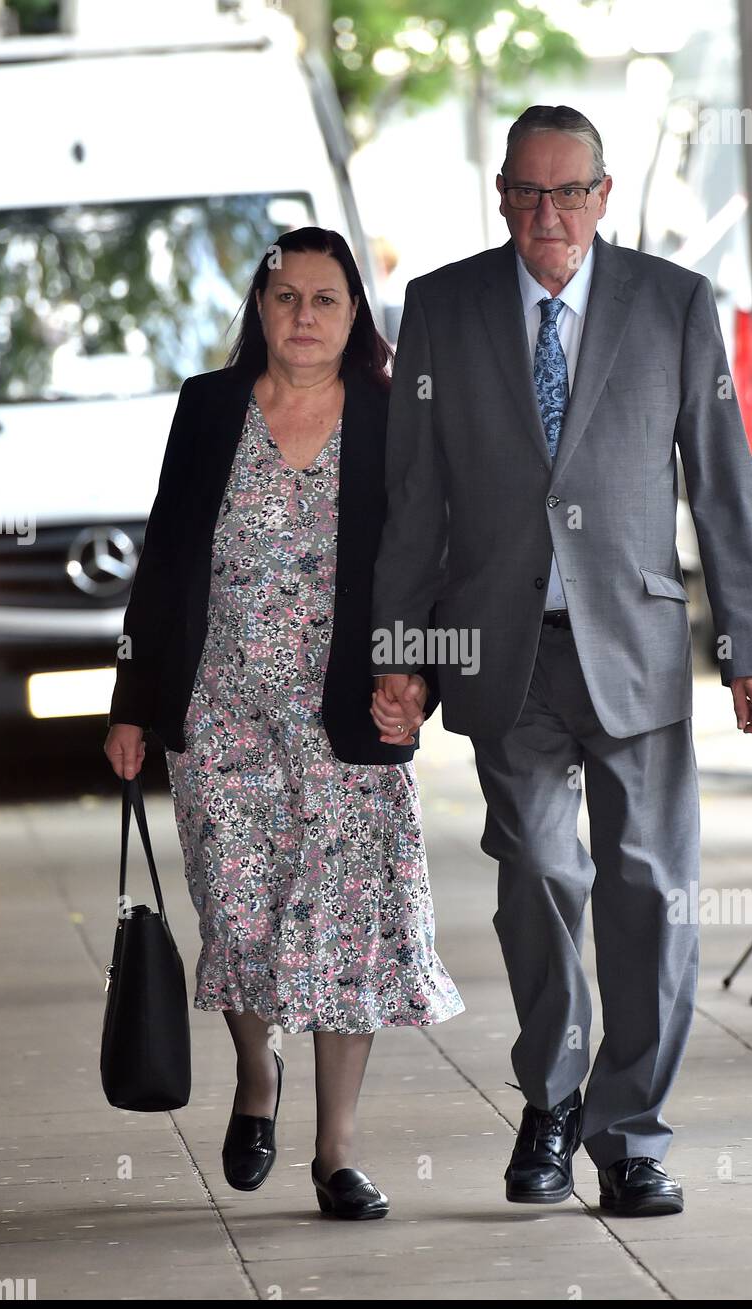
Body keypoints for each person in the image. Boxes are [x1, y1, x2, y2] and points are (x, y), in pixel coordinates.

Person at [370, 106, 752, 1216]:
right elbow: (414, 497)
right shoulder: (443, 308)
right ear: (499, 194)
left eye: (566, 194)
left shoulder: (672, 301)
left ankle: (631, 1135)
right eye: (524, 193)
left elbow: (720, 481)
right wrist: (403, 648)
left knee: (648, 893)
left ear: (602, 195)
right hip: (498, 652)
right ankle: (552, 1098)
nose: (544, 216)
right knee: (541, 879)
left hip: (638, 646)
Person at [105, 226, 464, 1220]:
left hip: (350, 716)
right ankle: (256, 1076)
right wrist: (133, 702)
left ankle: (337, 1154)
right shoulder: (209, 408)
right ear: (258, 310)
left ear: (355, 317)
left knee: (348, 930)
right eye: (284, 298)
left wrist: (421, 681)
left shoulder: (393, 417)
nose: (302, 316)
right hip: (221, 719)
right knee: (242, 917)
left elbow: (431, 564)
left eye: (324, 300)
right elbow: (164, 562)